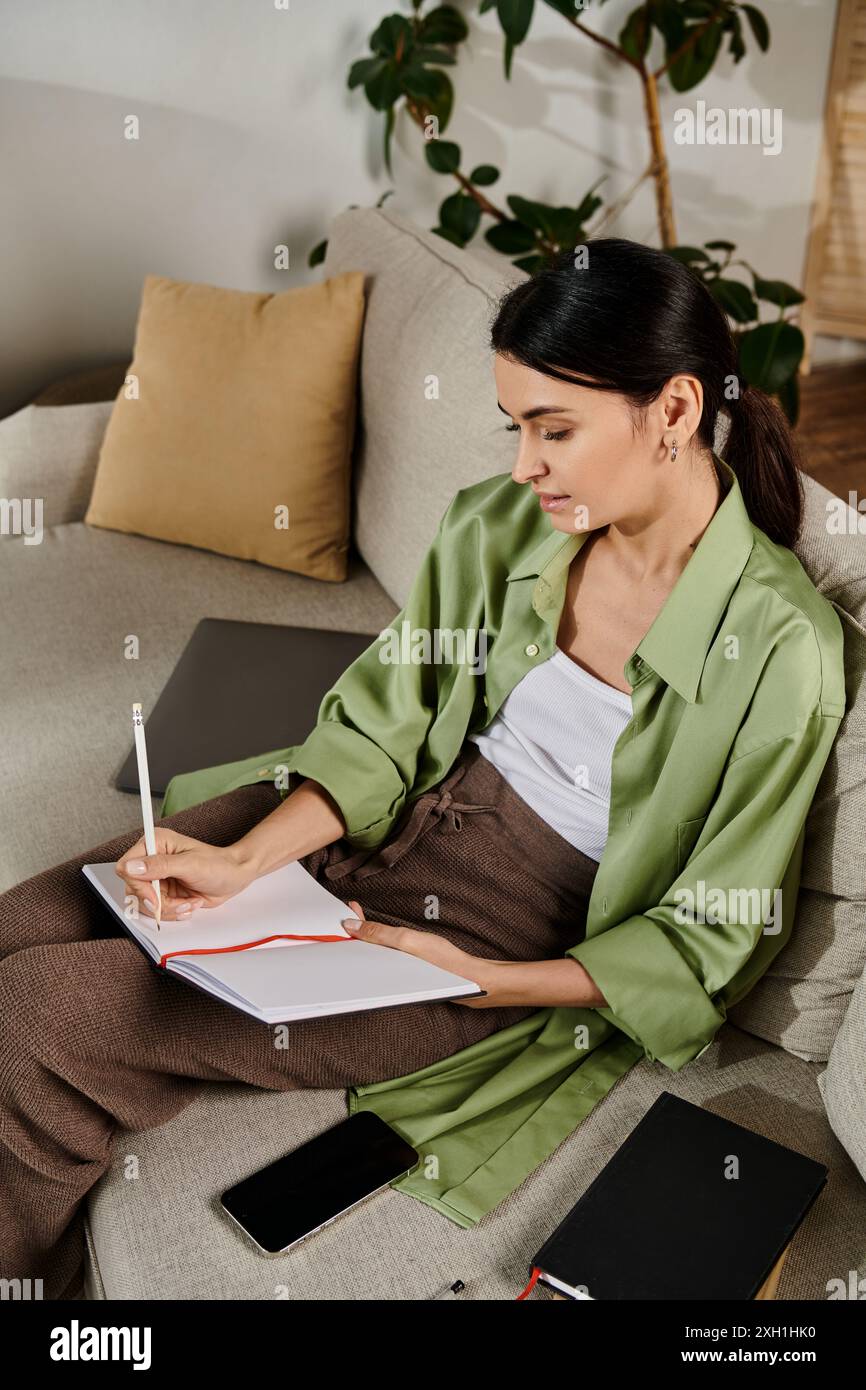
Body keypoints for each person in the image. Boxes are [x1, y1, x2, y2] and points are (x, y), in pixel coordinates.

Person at [0, 239, 845, 1299]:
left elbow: (706, 938)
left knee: (40, 1016)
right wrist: (245, 856)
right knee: (23, 922)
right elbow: (385, 726)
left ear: (672, 411)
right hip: (368, 812)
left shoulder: (780, 650)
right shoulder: (497, 527)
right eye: (515, 427)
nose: (520, 465)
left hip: (491, 932)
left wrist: (490, 985)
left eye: (553, 429)